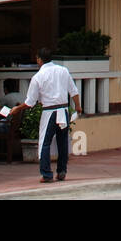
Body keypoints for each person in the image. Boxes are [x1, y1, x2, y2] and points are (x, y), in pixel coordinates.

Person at [9, 48, 82, 183]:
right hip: (63, 110)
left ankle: (47, 173)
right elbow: (73, 91)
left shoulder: (38, 77)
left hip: (49, 111)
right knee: (62, 142)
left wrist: (17, 109)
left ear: (39, 59)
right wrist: (78, 106)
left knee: (45, 143)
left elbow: (30, 102)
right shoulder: (63, 71)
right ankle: (61, 171)